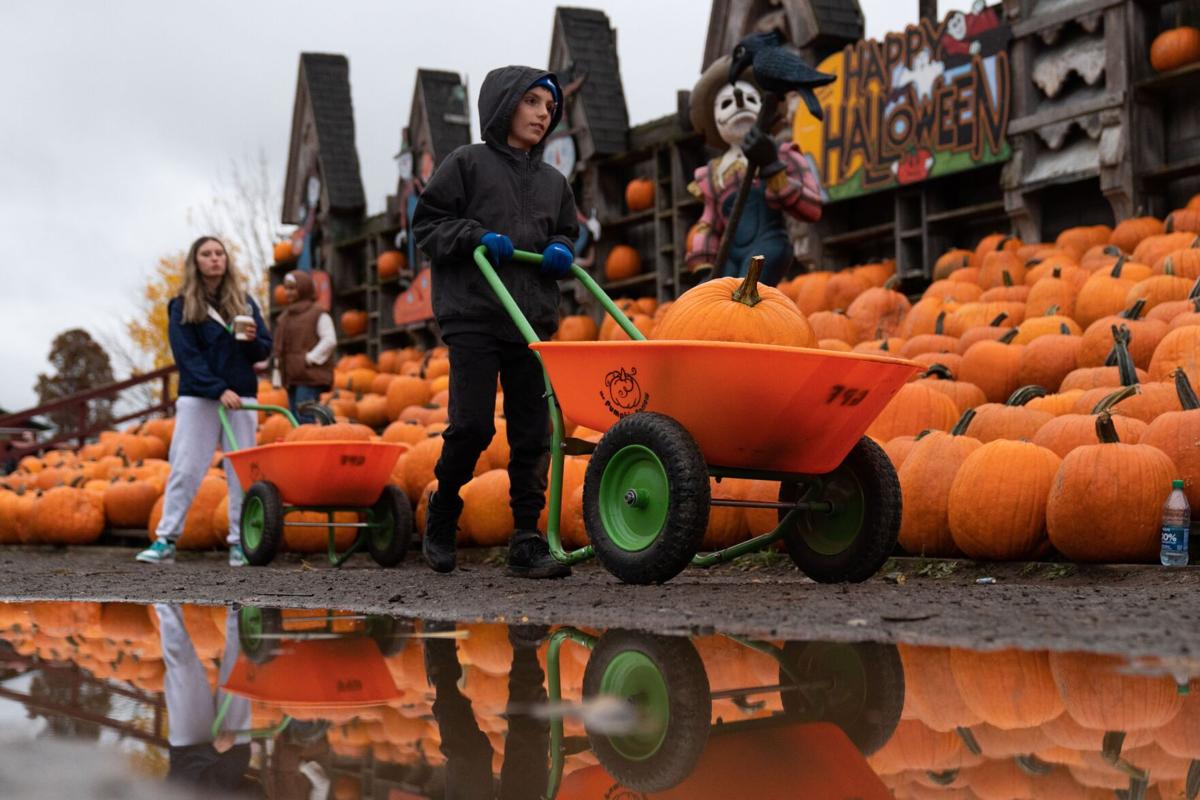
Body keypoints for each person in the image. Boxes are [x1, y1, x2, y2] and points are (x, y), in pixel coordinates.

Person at [413, 66, 578, 579]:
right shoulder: (467, 163)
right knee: (474, 424)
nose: (541, 114)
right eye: (531, 102)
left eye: (548, 108)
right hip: (476, 311)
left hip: (529, 318)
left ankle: (526, 537)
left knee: (533, 428)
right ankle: (443, 510)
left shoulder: (554, 182)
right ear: (505, 104)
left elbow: (570, 233)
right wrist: (473, 235)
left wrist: (561, 250)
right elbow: (428, 225)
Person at [137, 236, 271, 566]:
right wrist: (215, 388)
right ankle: (166, 538)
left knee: (241, 472)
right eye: (206, 254)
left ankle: (241, 541)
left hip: (241, 397)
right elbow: (187, 356)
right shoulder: (183, 306)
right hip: (199, 397)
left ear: (226, 260)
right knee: (186, 467)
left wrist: (254, 342)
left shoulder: (245, 302)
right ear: (196, 262)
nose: (214, 259)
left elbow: (263, 351)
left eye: (219, 253)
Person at [155, 603, 256, 793]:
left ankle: (165, 604)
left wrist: (212, 751)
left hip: (191, 745)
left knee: (183, 672)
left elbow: (179, 780)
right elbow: (252, 789)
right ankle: (240, 603)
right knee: (240, 668)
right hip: (234, 748)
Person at [271, 270, 335, 424]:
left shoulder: (317, 313)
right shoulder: (285, 317)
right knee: (294, 417)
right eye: (287, 288)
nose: (288, 292)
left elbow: (329, 340)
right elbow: (280, 350)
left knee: (305, 416)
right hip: (291, 375)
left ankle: (309, 445)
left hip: (309, 376)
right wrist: (277, 374)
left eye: (293, 288)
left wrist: (310, 358)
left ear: (304, 288)